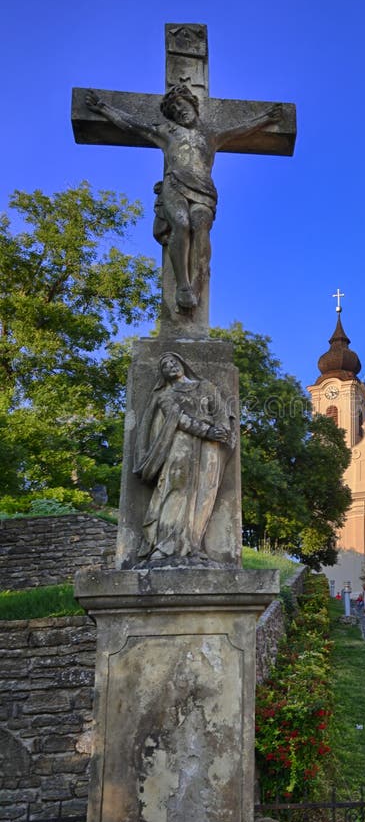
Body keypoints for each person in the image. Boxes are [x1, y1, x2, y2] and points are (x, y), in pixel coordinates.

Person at [86, 85, 282, 313]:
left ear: (193, 104)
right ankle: (183, 285)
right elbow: (132, 125)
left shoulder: (212, 134)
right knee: (180, 223)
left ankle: (198, 281)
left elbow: (242, 129)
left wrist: (267, 118)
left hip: (204, 190)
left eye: (182, 105)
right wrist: (102, 107)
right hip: (175, 184)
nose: (179, 111)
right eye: (174, 110)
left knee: (201, 227)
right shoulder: (167, 133)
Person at [133, 352, 235, 562]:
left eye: (173, 362)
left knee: (205, 493)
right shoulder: (164, 395)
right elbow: (179, 419)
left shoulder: (205, 386)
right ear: (163, 374)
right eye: (165, 365)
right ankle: (165, 545)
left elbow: (221, 413)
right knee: (175, 489)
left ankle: (193, 545)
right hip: (181, 444)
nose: (171, 366)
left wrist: (222, 430)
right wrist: (207, 431)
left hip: (210, 447)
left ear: (182, 364)